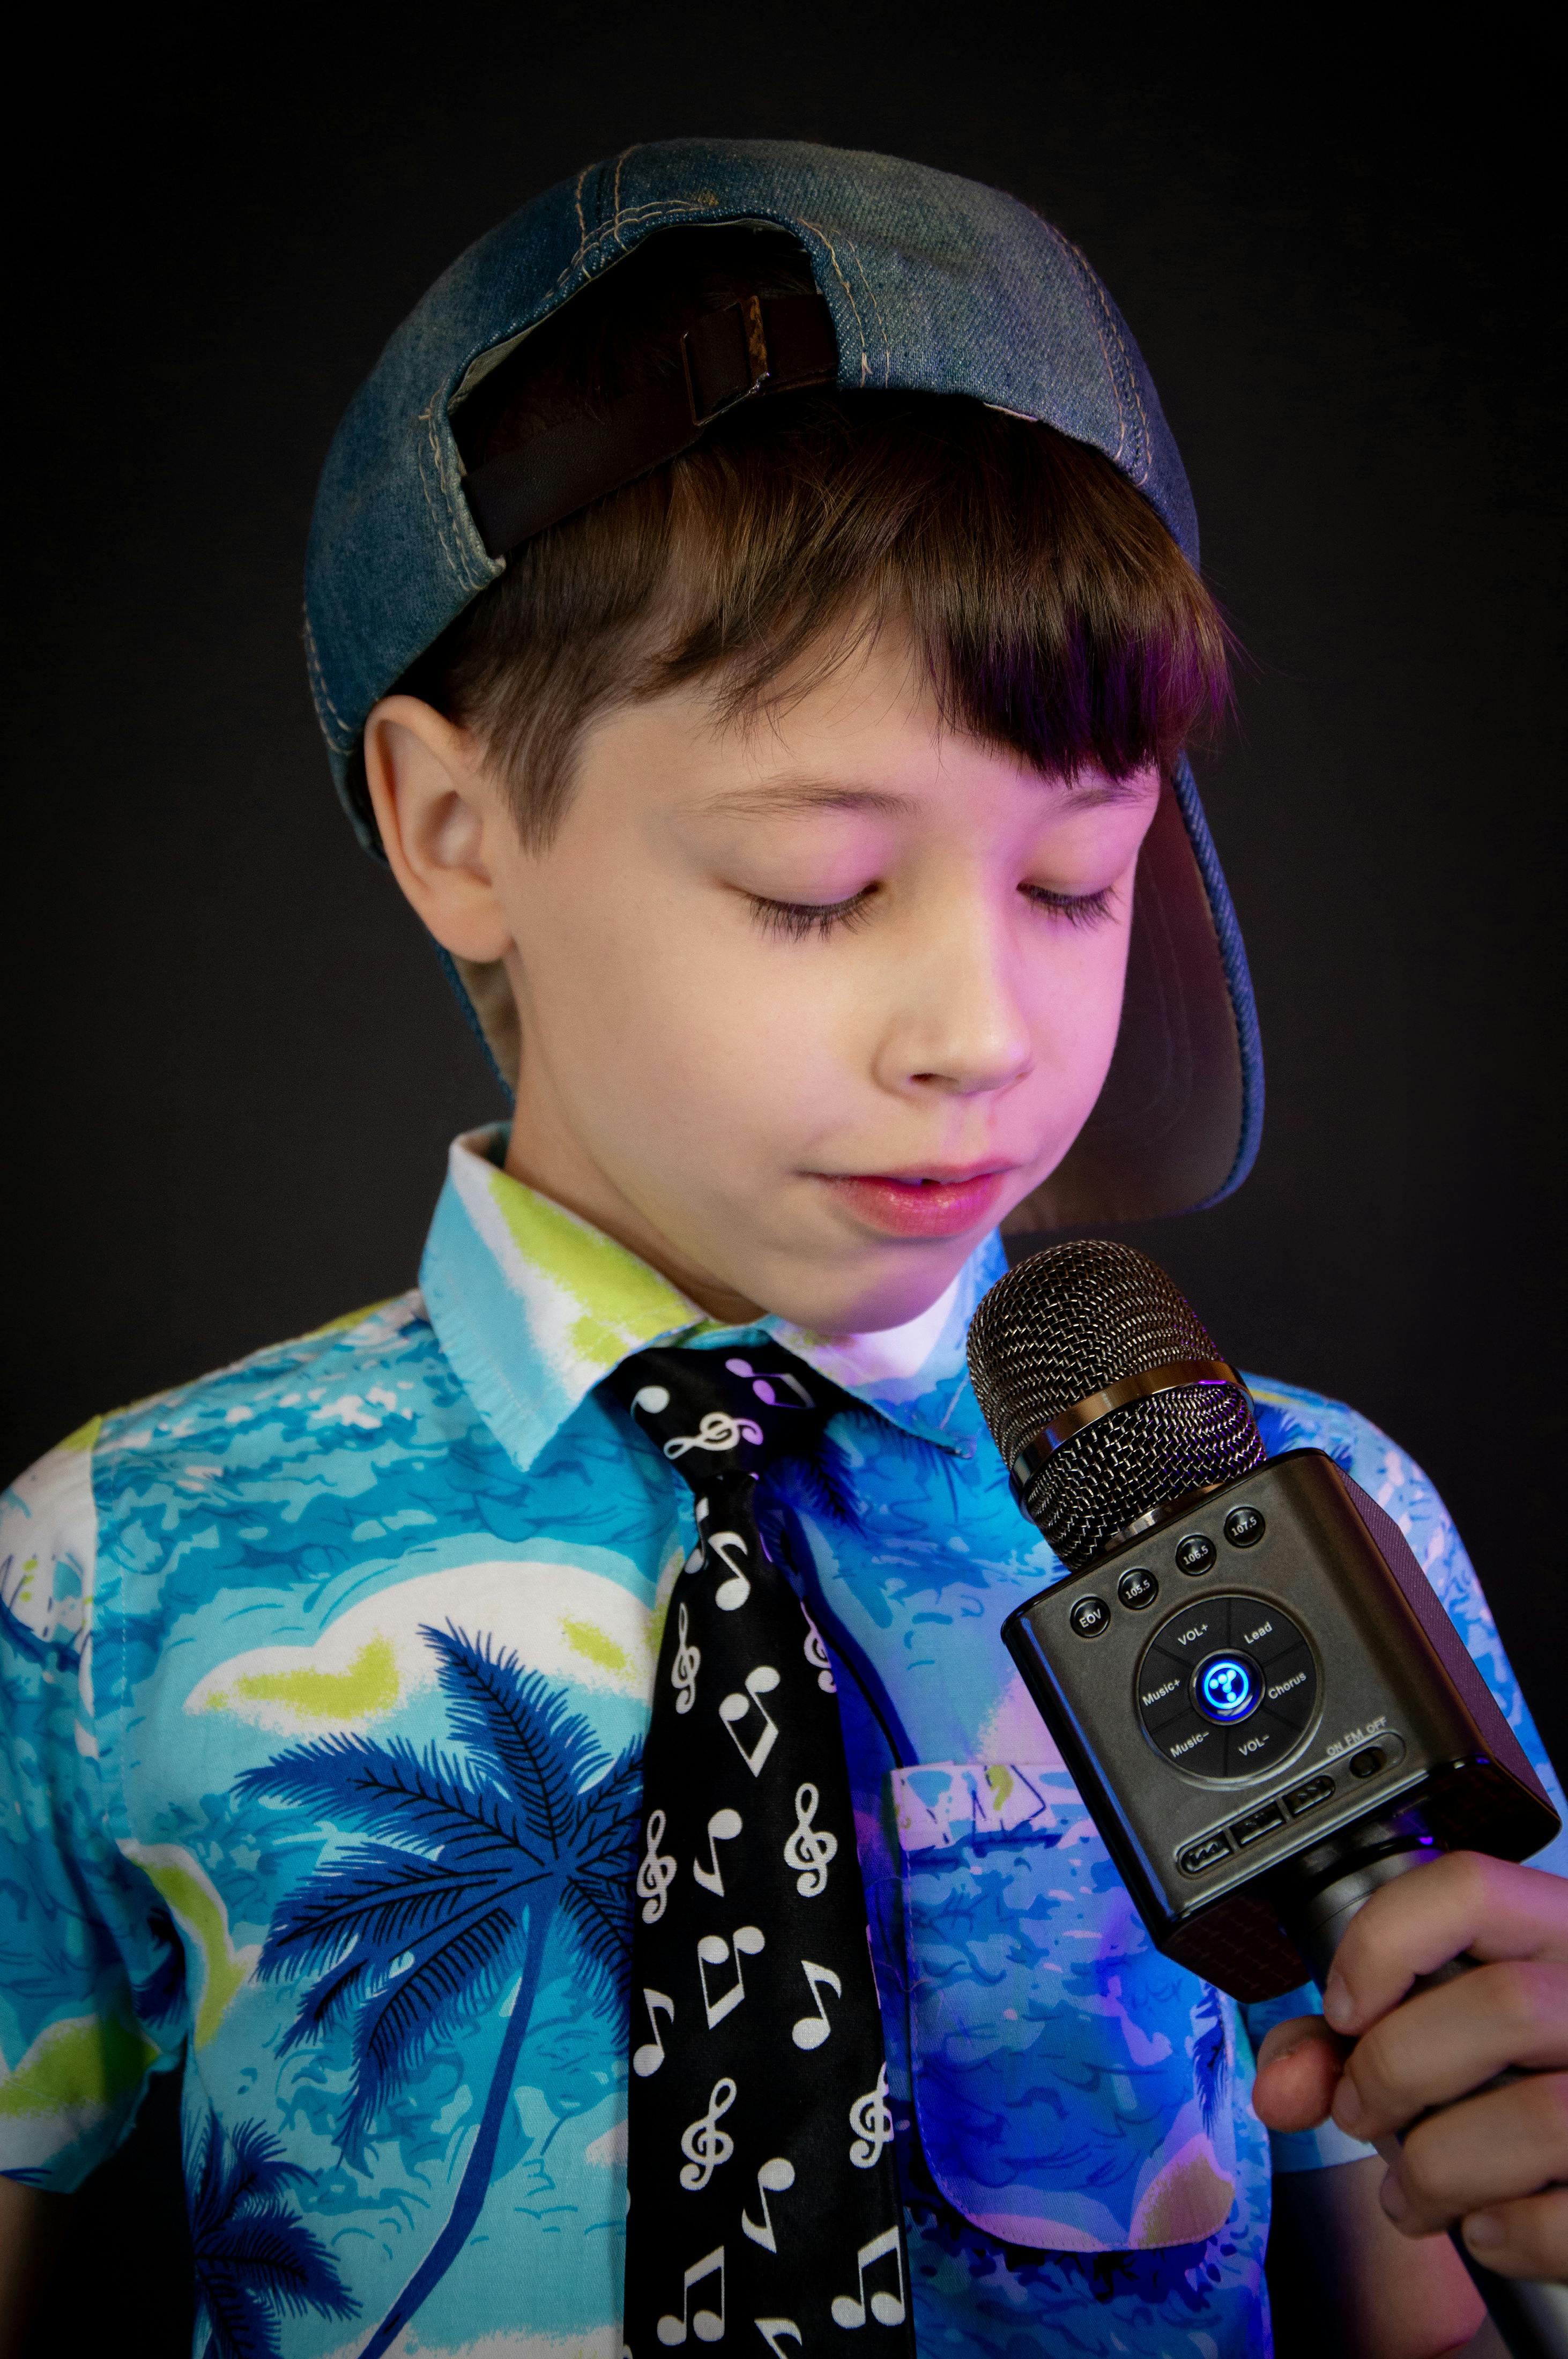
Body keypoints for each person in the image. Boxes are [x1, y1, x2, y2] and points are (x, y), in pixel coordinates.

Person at [1, 140, 1563, 2359]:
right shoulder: (110, 1579)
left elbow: (1433, 2294)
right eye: (819, 886)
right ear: (457, 830)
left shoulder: (1314, 1532)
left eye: (1076, 882)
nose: (987, 1039)